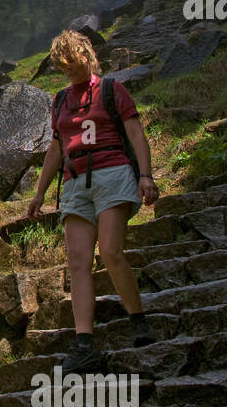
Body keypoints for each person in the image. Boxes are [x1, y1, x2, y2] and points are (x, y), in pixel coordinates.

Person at [25, 31, 159, 370]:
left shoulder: (112, 90)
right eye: (63, 68)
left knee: (111, 251)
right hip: (74, 183)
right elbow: (56, 147)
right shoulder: (59, 100)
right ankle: (84, 341)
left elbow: (135, 134)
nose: (69, 72)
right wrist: (39, 193)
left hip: (112, 173)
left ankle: (138, 319)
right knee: (77, 262)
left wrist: (146, 175)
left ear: (87, 56)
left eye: (73, 64)